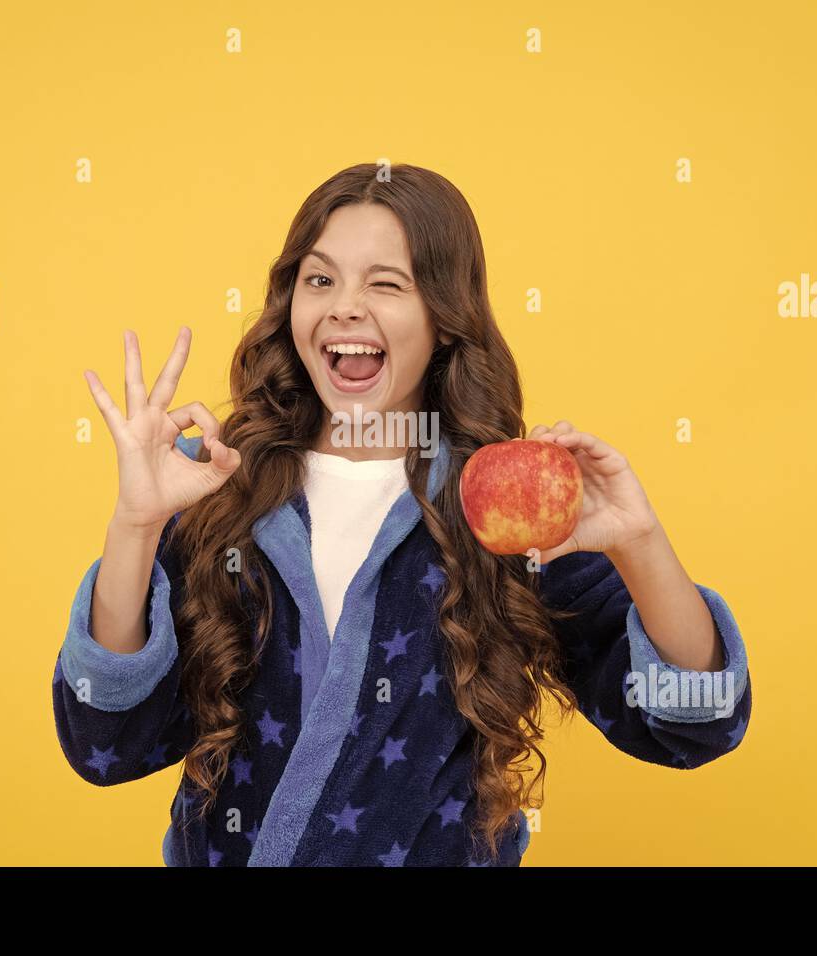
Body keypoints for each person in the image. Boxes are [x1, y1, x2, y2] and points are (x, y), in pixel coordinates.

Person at [51, 163, 751, 866]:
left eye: (386, 283)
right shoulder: (220, 482)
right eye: (319, 280)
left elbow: (692, 722)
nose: (344, 307)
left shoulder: (502, 507)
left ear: (446, 320)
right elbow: (107, 746)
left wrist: (640, 543)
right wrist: (135, 527)